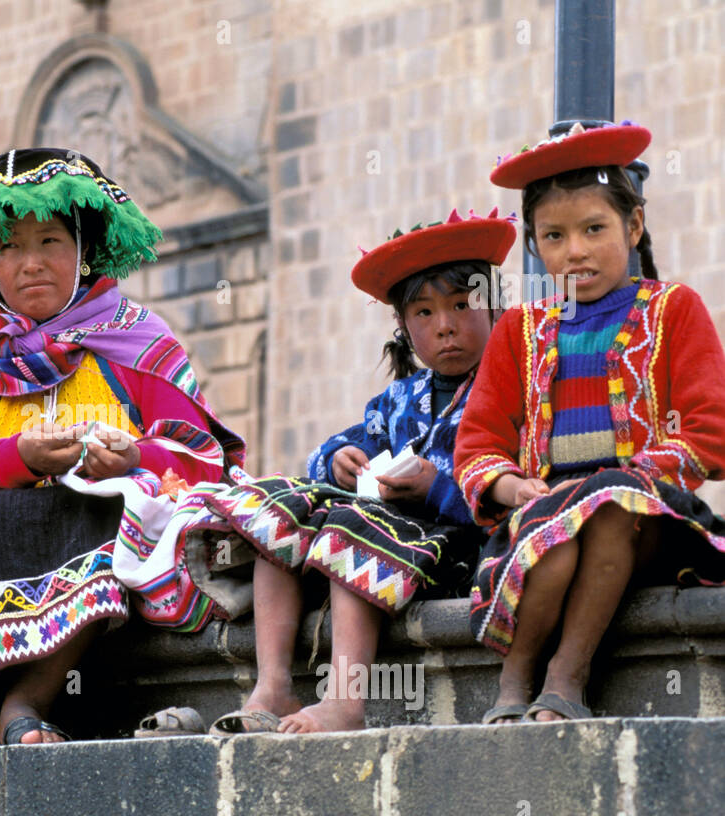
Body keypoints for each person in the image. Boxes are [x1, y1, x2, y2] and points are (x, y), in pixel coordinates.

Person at [0, 148, 244, 749]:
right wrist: (21, 457)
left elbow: (201, 457)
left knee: (105, 506)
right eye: (10, 247)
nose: (32, 263)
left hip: (102, 533)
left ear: (82, 251)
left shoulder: (138, 340)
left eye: (49, 241)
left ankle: (29, 699)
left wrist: (134, 460)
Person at [186, 210, 515, 734]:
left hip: (453, 548)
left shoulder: (508, 388)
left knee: (351, 525)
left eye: (460, 305)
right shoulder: (398, 400)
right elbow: (341, 446)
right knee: (283, 502)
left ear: (496, 308)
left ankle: (346, 700)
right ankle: (273, 685)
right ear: (405, 330)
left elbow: (508, 486)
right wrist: (338, 464)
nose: (445, 325)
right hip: (375, 541)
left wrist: (436, 488)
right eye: (424, 314)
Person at [458, 121, 725, 723]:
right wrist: (512, 486)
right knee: (553, 530)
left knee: (607, 504)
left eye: (594, 229)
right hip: (548, 513)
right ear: (536, 245)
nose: (574, 249)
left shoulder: (674, 310)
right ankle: (516, 672)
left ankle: (567, 674)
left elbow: (710, 430)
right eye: (554, 235)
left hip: (645, 516)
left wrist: (634, 475)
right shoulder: (518, 333)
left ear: (633, 228)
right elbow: (478, 443)